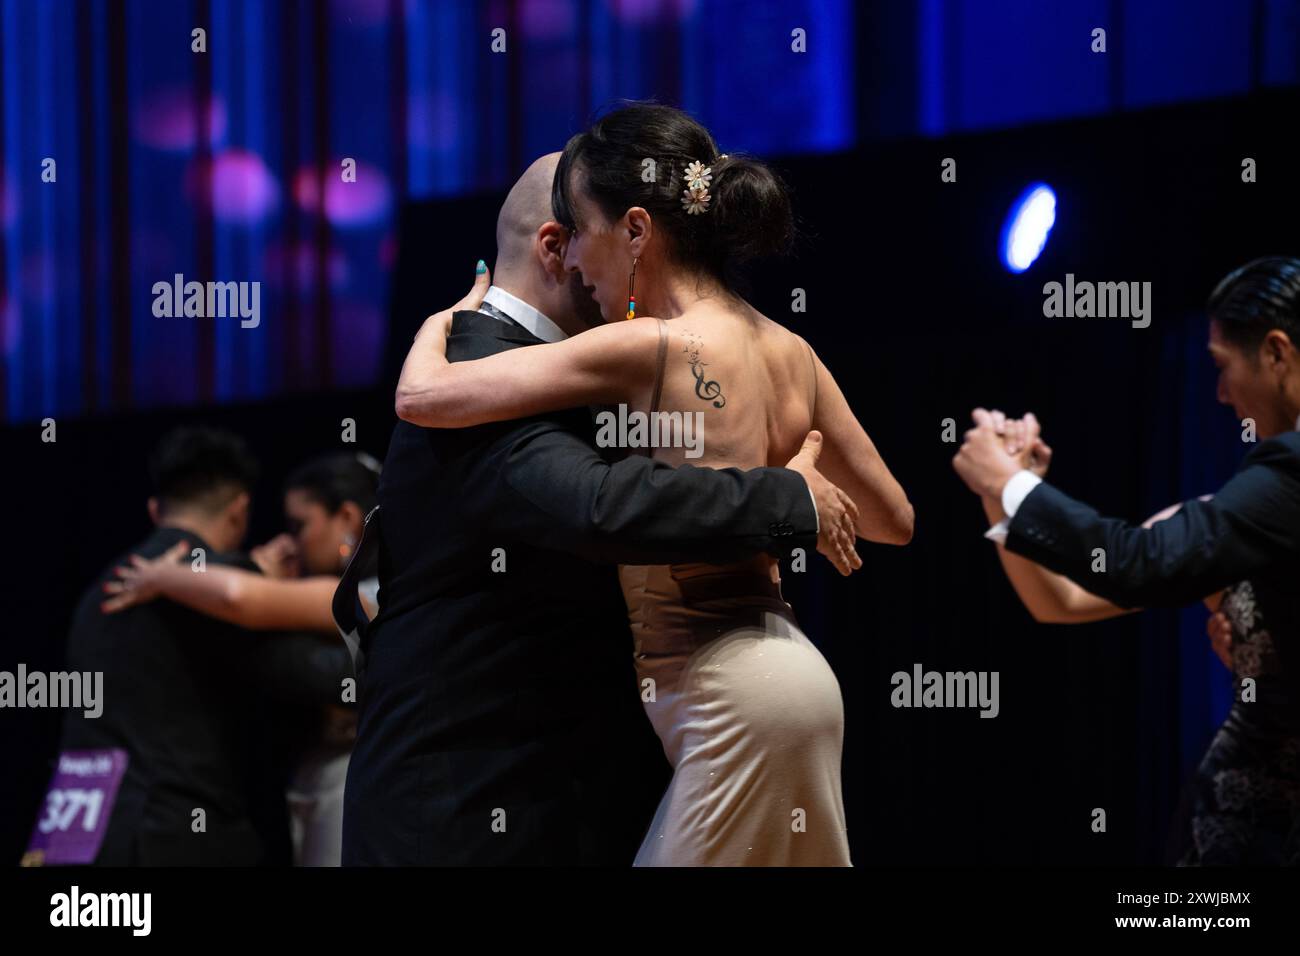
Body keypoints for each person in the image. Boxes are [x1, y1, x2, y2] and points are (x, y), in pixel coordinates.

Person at [394, 104, 913, 865]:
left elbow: (424, 399)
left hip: (729, 698)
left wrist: (433, 327)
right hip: (800, 679)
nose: (572, 262)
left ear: (636, 231)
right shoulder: (791, 349)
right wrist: (786, 482)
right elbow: (893, 518)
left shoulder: (646, 343)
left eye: (582, 231)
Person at [952, 256, 1300, 864]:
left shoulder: (1286, 475)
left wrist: (1012, 485)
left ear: (1276, 352)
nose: (1219, 394)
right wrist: (1001, 494)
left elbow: (1135, 561)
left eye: (1223, 367)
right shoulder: (1237, 517)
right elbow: (1058, 600)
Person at [102, 451, 381, 866]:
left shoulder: (369, 593)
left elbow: (239, 597)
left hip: (359, 777)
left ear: (346, 518)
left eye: (298, 526)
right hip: (315, 778)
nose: (288, 542)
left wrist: (160, 576)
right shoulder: (325, 591)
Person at [53, 426, 271, 865]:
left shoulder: (97, 593)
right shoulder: (230, 584)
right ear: (240, 511)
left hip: (77, 834)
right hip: (183, 835)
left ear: (155, 510)